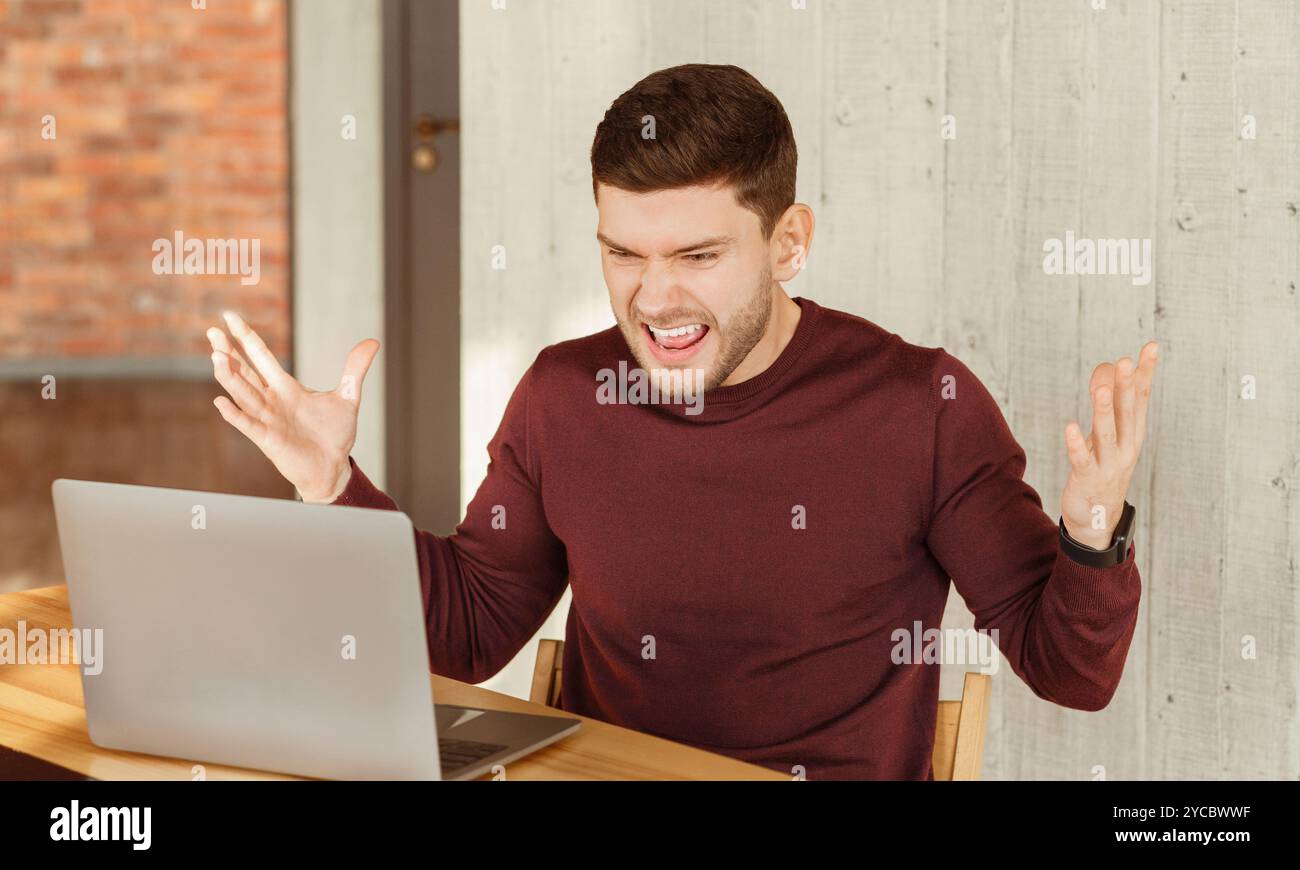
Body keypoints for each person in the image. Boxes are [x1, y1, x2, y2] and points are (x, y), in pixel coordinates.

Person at [206, 64, 1159, 780]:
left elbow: (1068, 671)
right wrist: (330, 484)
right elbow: (467, 632)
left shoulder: (921, 407)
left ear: (789, 242)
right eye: (623, 253)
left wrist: (1088, 535)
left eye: (698, 254)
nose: (653, 297)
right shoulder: (565, 396)